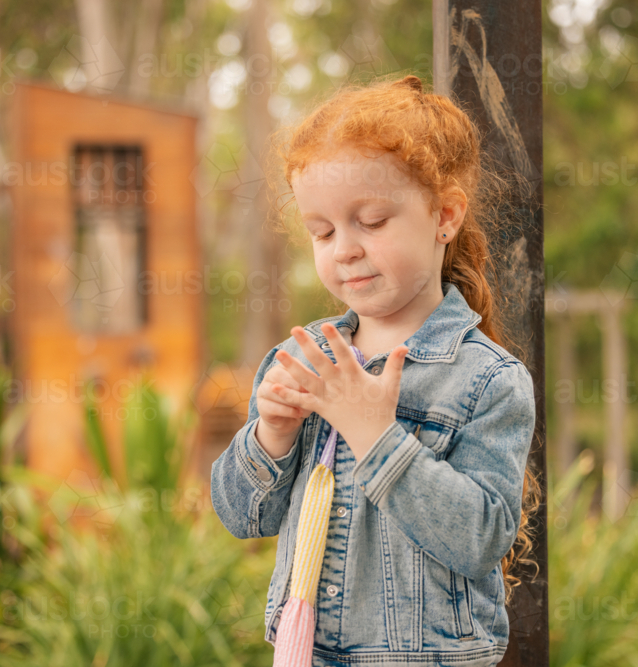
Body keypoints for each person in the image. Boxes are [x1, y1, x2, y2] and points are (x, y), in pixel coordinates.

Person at [209, 73, 541, 667]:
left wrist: (376, 436)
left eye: (372, 220)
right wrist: (271, 435)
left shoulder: (488, 380)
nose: (344, 249)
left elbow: (480, 538)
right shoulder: (306, 356)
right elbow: (242, 517)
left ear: (444, 216)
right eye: (323, 231)